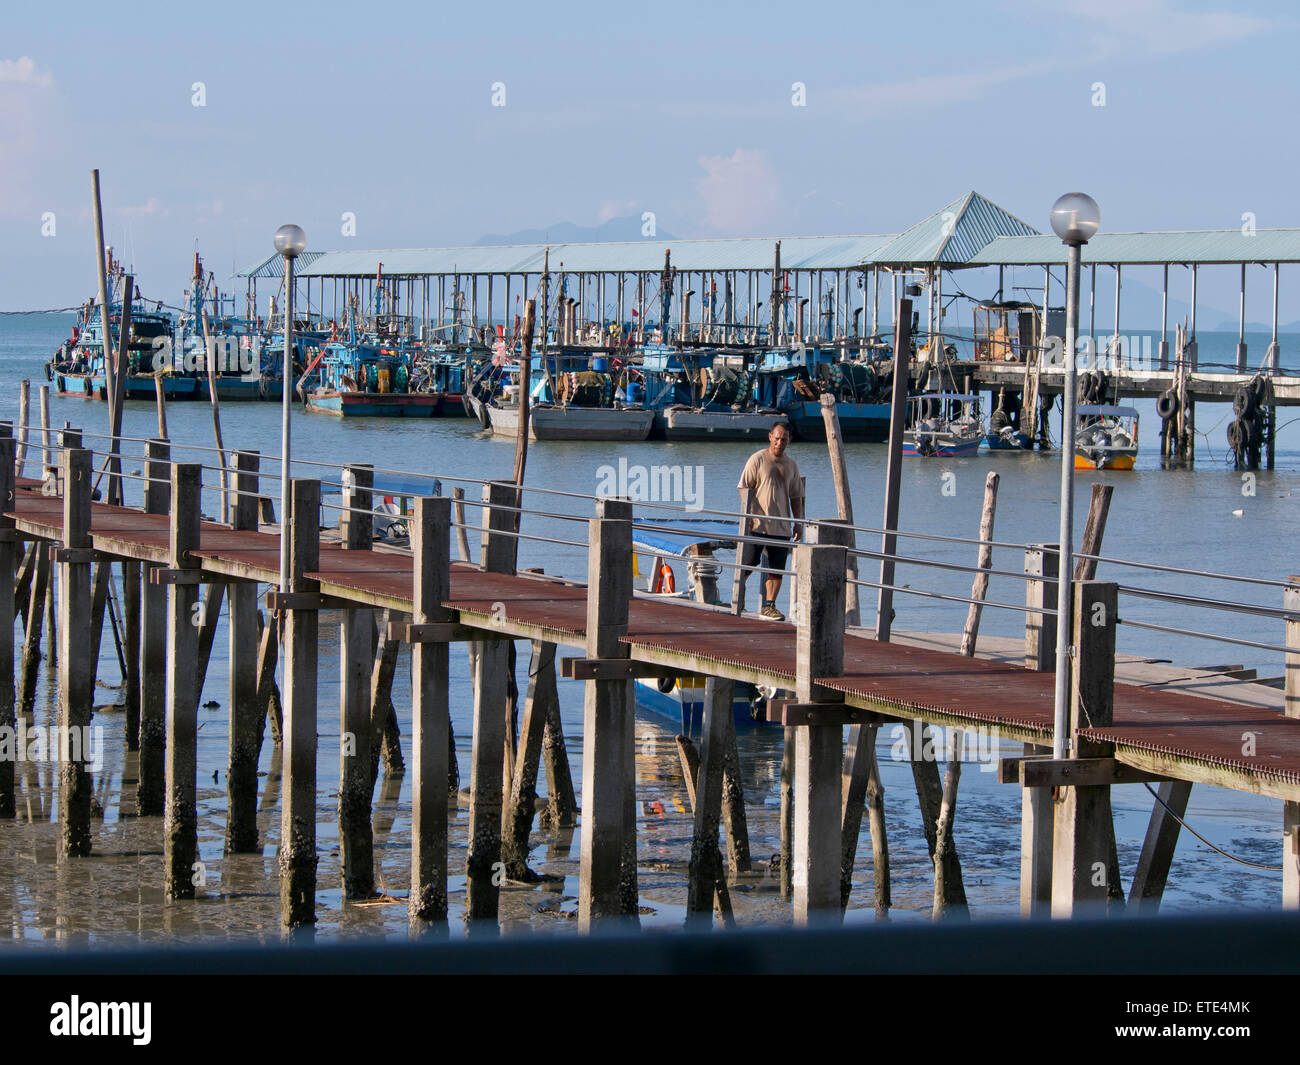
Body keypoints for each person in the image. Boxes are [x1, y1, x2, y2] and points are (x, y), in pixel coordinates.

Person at [737, 422, 804, 620]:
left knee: (776, 569)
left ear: (789, 440)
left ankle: (769, 605)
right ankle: (737, 595)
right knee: (748, 563)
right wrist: (748, 515)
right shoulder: (757, 459)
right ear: (770, 437)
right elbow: (743, 487)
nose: (779, 442)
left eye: (784, 439)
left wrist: (798, 522)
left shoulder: (792, 465)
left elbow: (796, 497)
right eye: (777, 438)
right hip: (758, 523)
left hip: (781, 527)